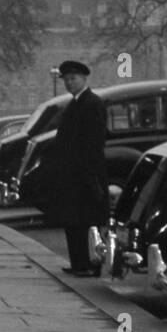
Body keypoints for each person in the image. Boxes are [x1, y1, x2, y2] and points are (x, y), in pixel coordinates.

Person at [50, 59, 107, 275]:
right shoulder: (75, 103)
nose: (69, 83)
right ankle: (78, 262)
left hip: (85, 173)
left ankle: (87, 264)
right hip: (72, 173)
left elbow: (94, 142)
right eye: (66, 80)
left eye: (73, 79)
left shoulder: (92, 103)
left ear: (84, 79)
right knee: (73, 220)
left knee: (85, 220)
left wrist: (90, 173)